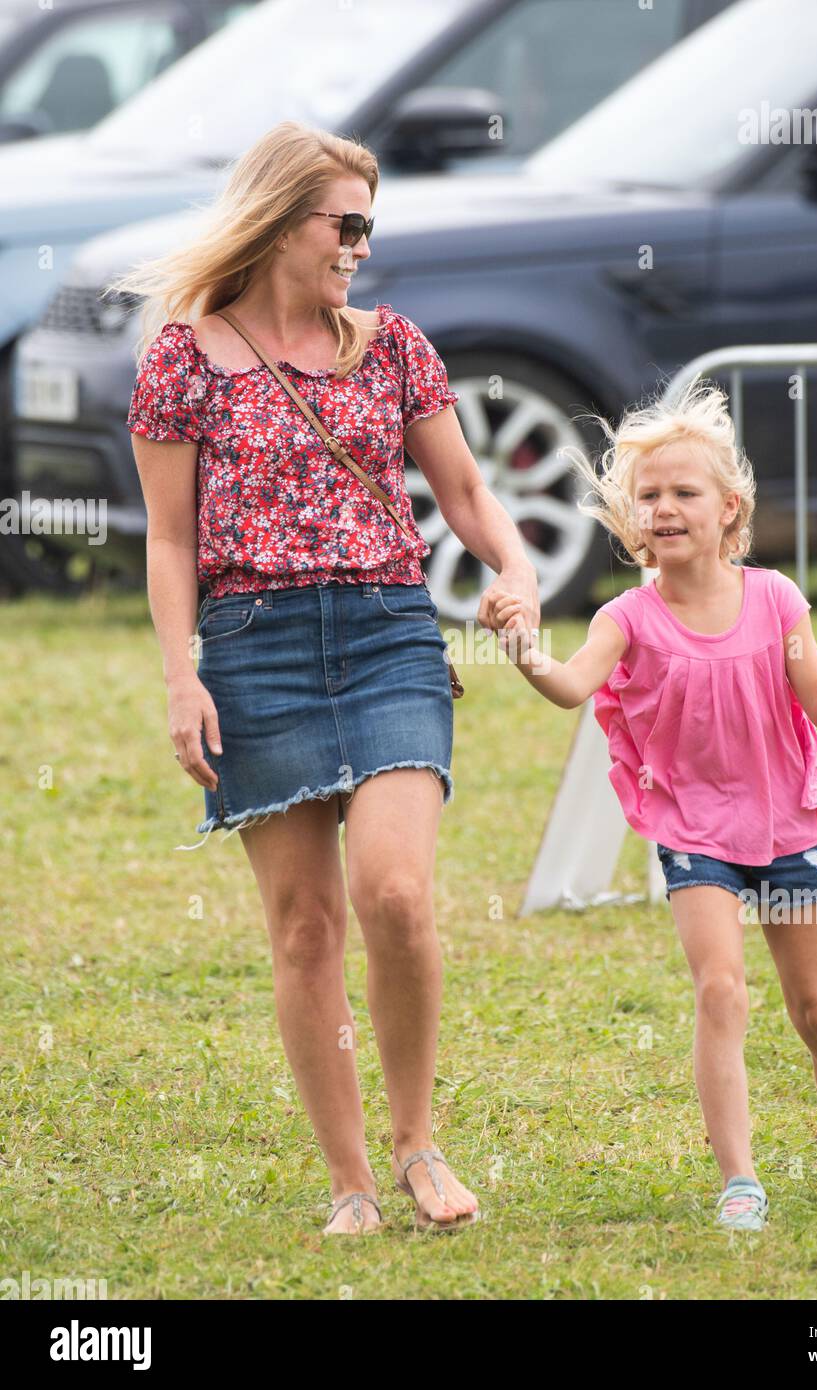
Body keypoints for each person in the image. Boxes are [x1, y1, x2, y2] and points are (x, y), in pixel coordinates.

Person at [112, 121, 540, 1235]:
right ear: (278, 219)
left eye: (367, 224)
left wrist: (519, 569)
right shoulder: (183, 356)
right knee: (304, 927)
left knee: (394, 892)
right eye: (341, 223)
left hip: (391, 629)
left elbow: (465, 496)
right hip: (254, 644)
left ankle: (417, 1144)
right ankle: (350, 1179)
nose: (358, 244)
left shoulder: (392, 345)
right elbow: (167, 541)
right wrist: (178, 676)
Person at [493, 378, 817, 1231]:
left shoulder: (778, 600)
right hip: (694, 836)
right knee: (720, 990)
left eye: (685, 492)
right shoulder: (628, 617)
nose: (665, 507)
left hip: (786, 826)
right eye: (648, 496)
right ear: (627, 517)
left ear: (729, 509)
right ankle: (739, 1181)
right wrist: (524, 648)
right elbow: (571, 687)